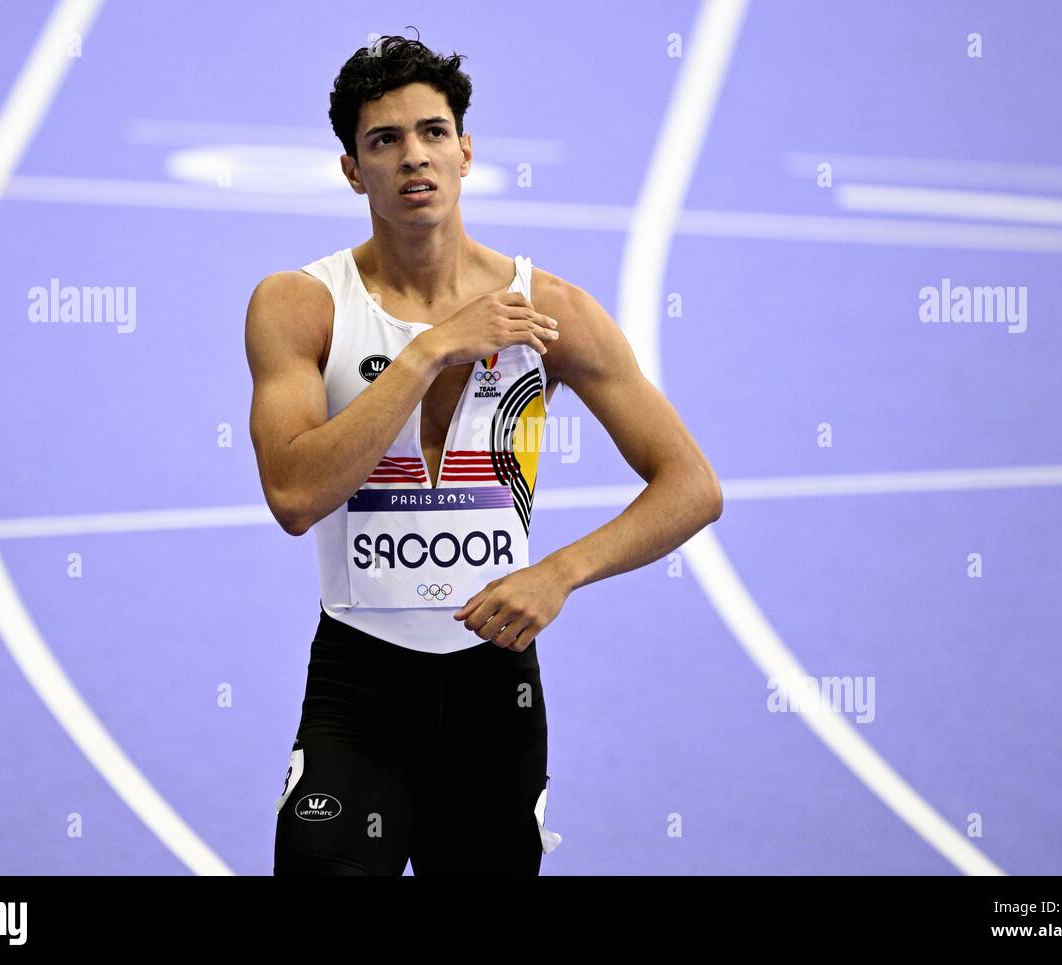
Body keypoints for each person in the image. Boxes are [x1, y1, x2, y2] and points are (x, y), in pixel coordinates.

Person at [245, 32, 723, 875]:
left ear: (467, 152)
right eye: (384, 141)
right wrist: (431, 349)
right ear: (353, 170)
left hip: (495, 693)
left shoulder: (554, 312)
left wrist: (559, 572)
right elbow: (292, 494)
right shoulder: (302, 305)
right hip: (359, 687)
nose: (413, 157)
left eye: (432, 133)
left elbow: (691, 485)